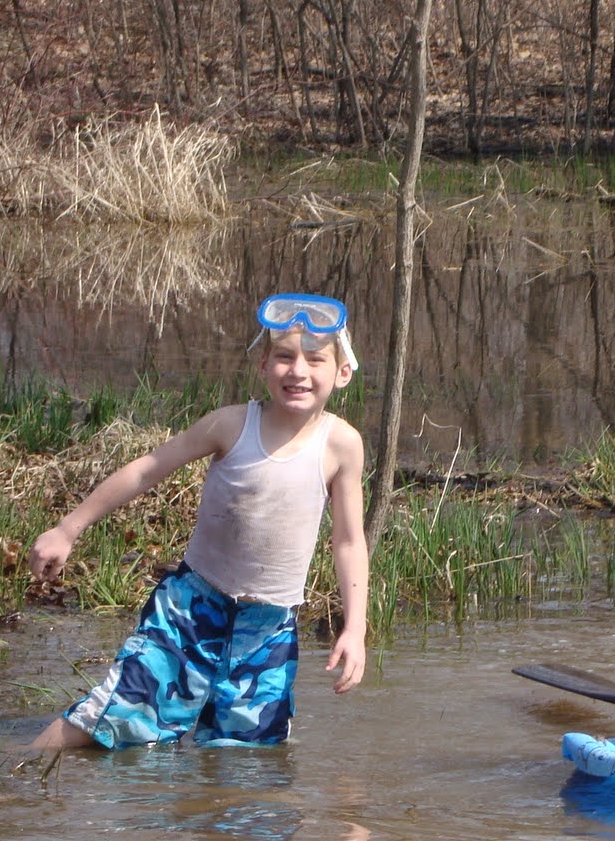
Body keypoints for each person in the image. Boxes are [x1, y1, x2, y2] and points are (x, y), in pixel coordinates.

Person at [27, 292, 369, 751]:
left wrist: (355, 628)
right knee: (112, 722)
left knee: (248, 764)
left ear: (342, 372)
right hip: (190, 610)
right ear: (263, 364)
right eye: (284, 357)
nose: (299, 371)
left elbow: (348, 541)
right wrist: (67, 528)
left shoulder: (341, 445)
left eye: (315, 360)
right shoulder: (231, 425)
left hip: (268, 631)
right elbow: (148, 468)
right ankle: (13, 775)